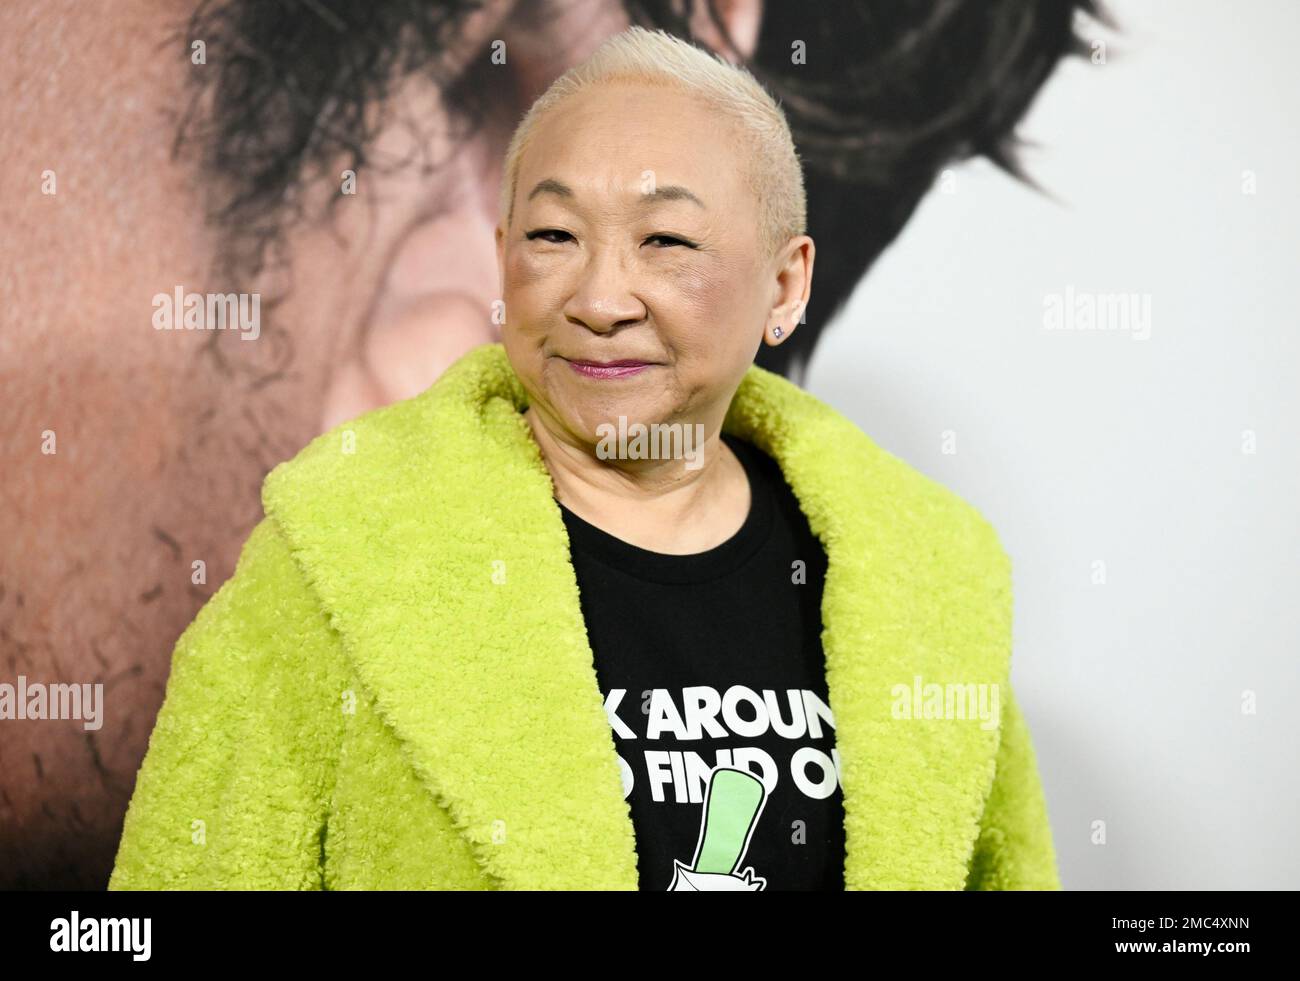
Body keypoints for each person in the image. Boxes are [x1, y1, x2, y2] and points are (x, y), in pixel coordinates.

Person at [108, 26, 1058, 891]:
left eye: (666, 240)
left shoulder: (920, 584)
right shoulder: (339, 557)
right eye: (553, 237)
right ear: (503, 259)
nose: (600, 299)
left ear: (785, 284)